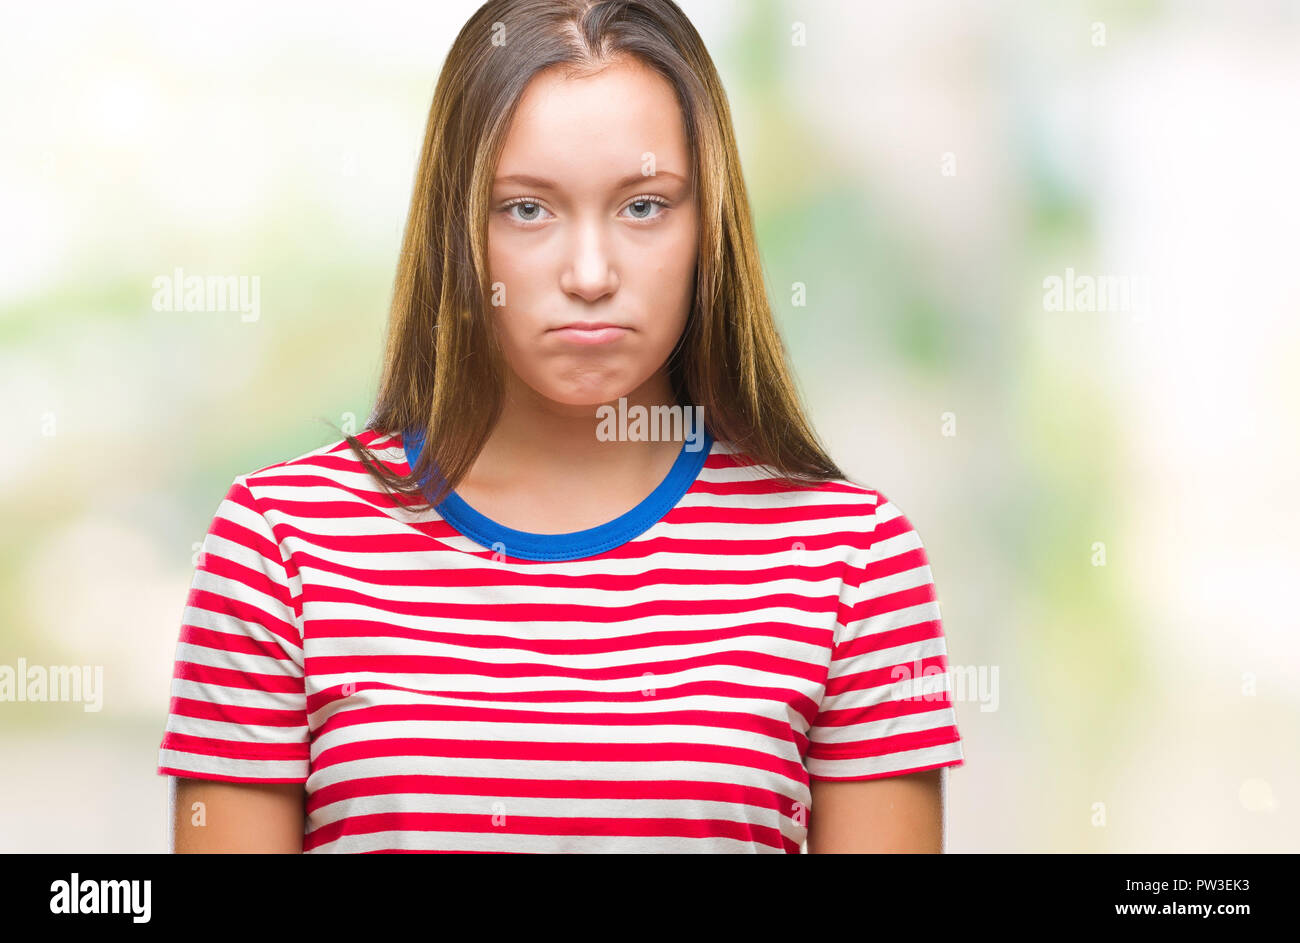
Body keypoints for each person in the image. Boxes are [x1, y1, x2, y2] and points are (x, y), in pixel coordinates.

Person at [157, 0, 964, 853]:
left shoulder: (850, 560)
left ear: (708, 227)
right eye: (528, 210)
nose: (589, 273)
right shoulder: (283, 545)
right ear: (458, 228)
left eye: (645, 206)